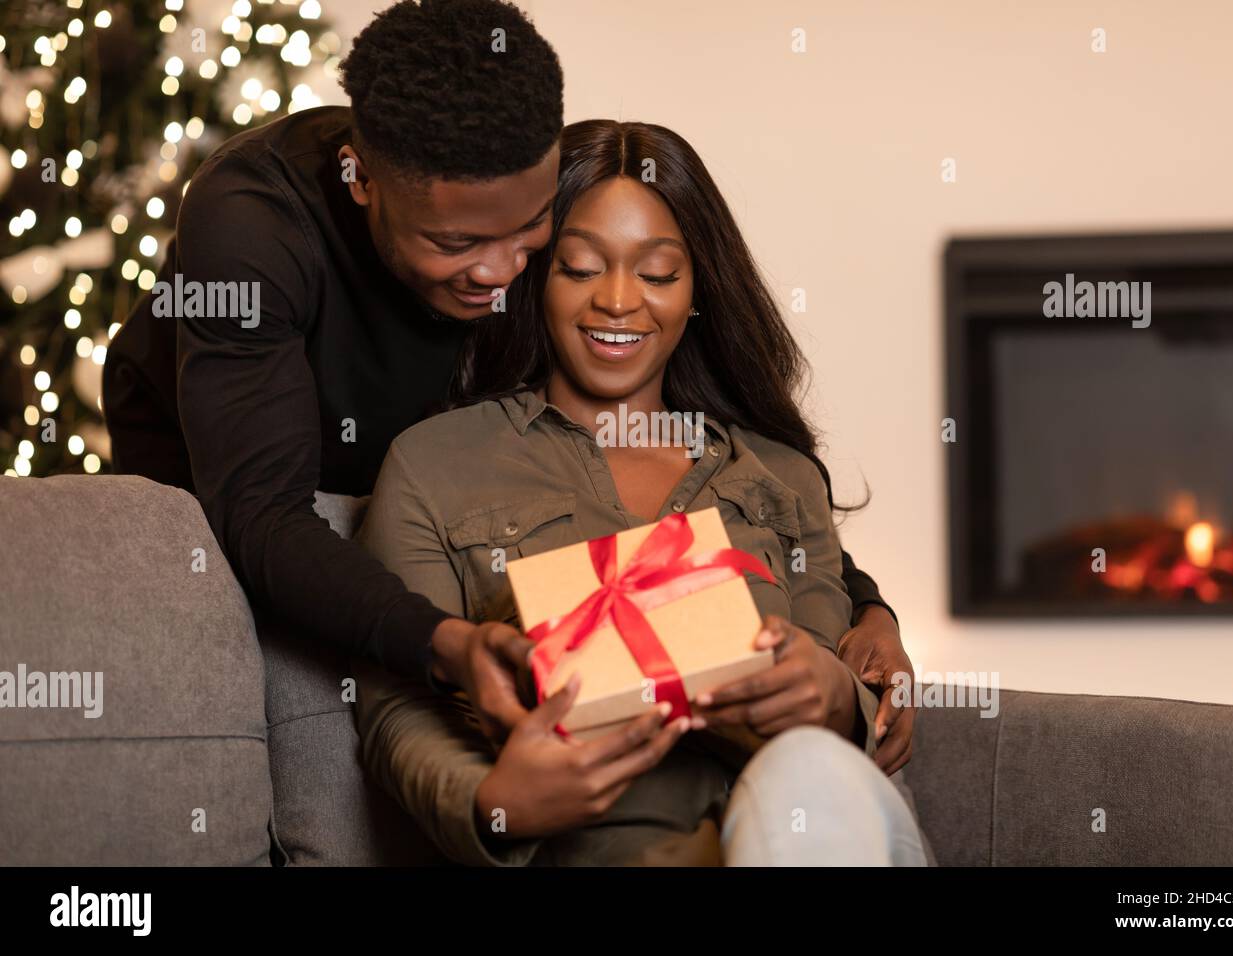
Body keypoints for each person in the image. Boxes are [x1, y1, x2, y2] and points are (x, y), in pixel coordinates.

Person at [102, 0, 914, 772]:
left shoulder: (512, 173)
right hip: (238, 495)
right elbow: (263, 517)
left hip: (415, 491)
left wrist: (862, 605)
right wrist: (449, 644)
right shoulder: (251, 225)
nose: (498, 276)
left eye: (531, 232)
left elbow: (747, 478)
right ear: (361, 183)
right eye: (455, 243)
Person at [352, 120, 928, 865]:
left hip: (793, 829)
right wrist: (496, 805)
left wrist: (838, 697)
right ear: (533, 275)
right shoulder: (434, 466)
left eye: (658, 274)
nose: (619, 301)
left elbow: (827, 663)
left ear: (697, 294)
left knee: (808, 774)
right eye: (581, 267)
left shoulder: (780, 478)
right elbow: (400, 708)